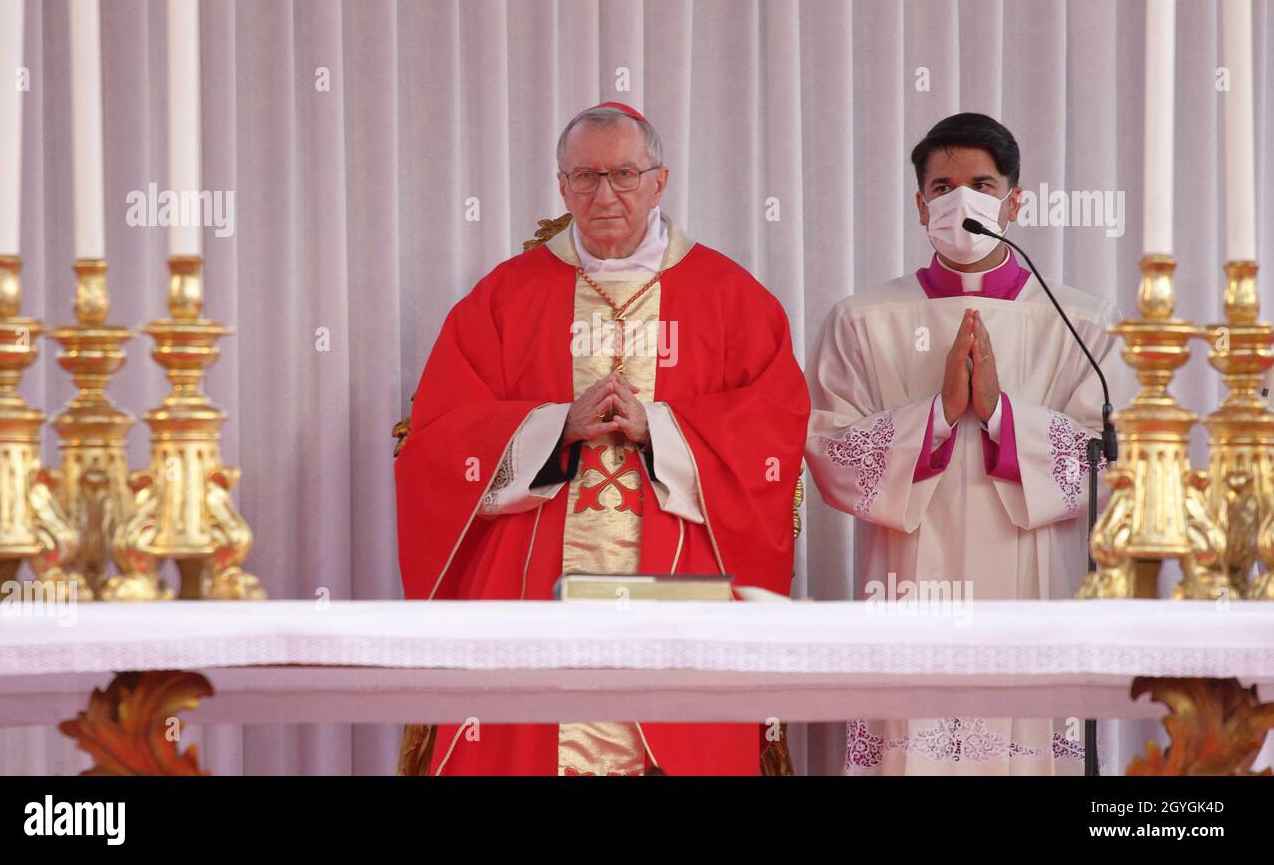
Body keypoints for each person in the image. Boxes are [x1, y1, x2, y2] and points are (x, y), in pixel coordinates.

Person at [395, 102, 809, 775]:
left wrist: (661, 429)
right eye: (585, 176)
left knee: (681, 736)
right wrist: (557, 426)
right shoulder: (504, 297)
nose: (604, 193)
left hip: (680, 577)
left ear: (659, 181)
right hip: (535, 575)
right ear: (561, 187)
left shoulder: (731, 297)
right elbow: (438, 438)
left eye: (623, 173)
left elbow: (778, 429)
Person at [805, 112, 1122, 774]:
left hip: (1035, 579)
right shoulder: (862, 319)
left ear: (1015, 200)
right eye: (943, 187)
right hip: (906, 581)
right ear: (921, 205)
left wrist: (1005, 418)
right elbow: (827, 452)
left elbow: (1115, 460)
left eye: (981, 183)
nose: (961, 201)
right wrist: (938, 419)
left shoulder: (1081, 320)